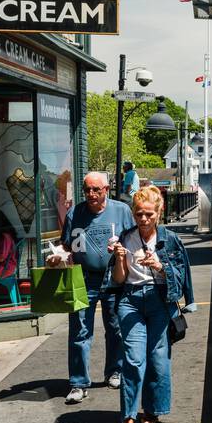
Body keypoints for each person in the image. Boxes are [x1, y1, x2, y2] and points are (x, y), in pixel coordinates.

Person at [110, 187, 197, 423]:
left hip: (160, 301)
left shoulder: (170, 239)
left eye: (149, 214)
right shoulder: (125, 238)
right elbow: (119, 279)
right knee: (134, 360)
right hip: (131, 301)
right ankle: (127, 416)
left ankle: (152, 410)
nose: (144, 219)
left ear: (159, 213)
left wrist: (159, 266)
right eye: (139, 214)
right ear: (133, 214)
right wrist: (119, 259)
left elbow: (179, 280)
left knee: (158, 359)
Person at [61, 171, 133, 404]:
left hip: (114, 277)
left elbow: (135, 240)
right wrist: (59, 257)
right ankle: (78, 383)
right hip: (83, 279)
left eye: (96, 190)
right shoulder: (75, 213)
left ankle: (115, 371)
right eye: (87, 190)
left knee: (116, 328)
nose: (91, 194)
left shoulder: (121, 211)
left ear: (106, 190)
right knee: (80, 330)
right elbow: (66, 246)